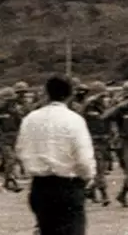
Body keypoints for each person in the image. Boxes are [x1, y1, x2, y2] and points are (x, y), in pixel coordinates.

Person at [16, 75, 95, 235]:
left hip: (40, 186)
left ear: (46, 93)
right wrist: (87, 177)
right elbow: (83, 157)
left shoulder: (30, 118)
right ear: (70, 95)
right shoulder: (74, 120)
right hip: (68, 186)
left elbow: (21, 149)